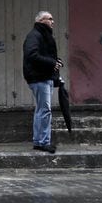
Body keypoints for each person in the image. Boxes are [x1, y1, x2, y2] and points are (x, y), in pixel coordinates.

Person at [22, 10, 62, 154]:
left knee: (41, 110)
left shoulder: (42, 35)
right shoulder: (35, 35)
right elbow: (31, 55)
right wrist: (52, 63)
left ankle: (39, 141)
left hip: (44, 77)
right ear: (40, 21)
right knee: (45, 110)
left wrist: (55, 64)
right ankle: (43, 142)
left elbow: (44, 55)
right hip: (39, 78)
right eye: (49, 19)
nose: (53, 21)